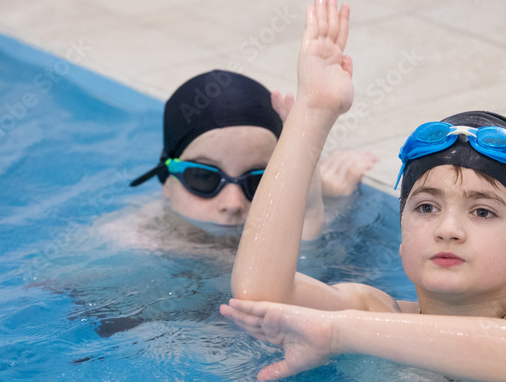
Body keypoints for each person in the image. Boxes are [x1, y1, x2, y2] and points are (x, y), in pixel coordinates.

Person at [221, 0, 506, 382]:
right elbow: (258, 296)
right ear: (400, 236)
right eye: (427, 207)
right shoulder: (371, 309)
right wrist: (315, 108)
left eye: (483, 211)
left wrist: (339, 333)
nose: (448, 229)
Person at [93, 69, 376, 256]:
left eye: (259, 180)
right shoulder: (124, 244)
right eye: (204, 178)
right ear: (166, 178)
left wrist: (321, 200)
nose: (233, 204)